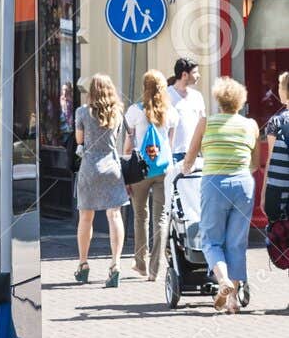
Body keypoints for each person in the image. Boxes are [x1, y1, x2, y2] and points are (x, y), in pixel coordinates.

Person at [181, 75, 261, 313]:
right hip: (243, 184)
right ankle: (233, 301)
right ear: (240, 101)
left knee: (211, 239)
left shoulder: (206, 122)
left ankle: (223, 280)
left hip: (214, 183)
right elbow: (255, 164)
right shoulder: (251, 125)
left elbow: (190, 156)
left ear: (218, 100)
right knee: (236, 242)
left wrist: (185, 168)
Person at [74, 74, 128, 287]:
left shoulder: (82, 112)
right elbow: (118, 139)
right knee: (114, 215)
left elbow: (80, 140)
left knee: (85, 217)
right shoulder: (117, 113)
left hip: (89, 166)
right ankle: (115, 265)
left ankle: (83, 265)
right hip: (112, 166)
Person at [123, 70, 175, 281]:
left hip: (139, 171)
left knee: (140, 216)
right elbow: (170, 146)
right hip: (163, 170)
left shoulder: (134, 111)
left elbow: (128, 146)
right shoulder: (171, 112)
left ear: (144, 87)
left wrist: (125, 173)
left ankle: (140, 264)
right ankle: (155, 269)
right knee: (161, 218)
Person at [262, 71, 289, 306]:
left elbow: (271, 159)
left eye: (280, 86)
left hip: (282, 191)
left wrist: (264, 194)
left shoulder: (277, 122)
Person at [168, 57, 205, 166]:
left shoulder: (197, 96)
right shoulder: (166, 95)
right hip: (174, 153)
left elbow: (202, 123)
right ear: (184, 75)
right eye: (195, 72)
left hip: (194, 152)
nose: (198, 75)